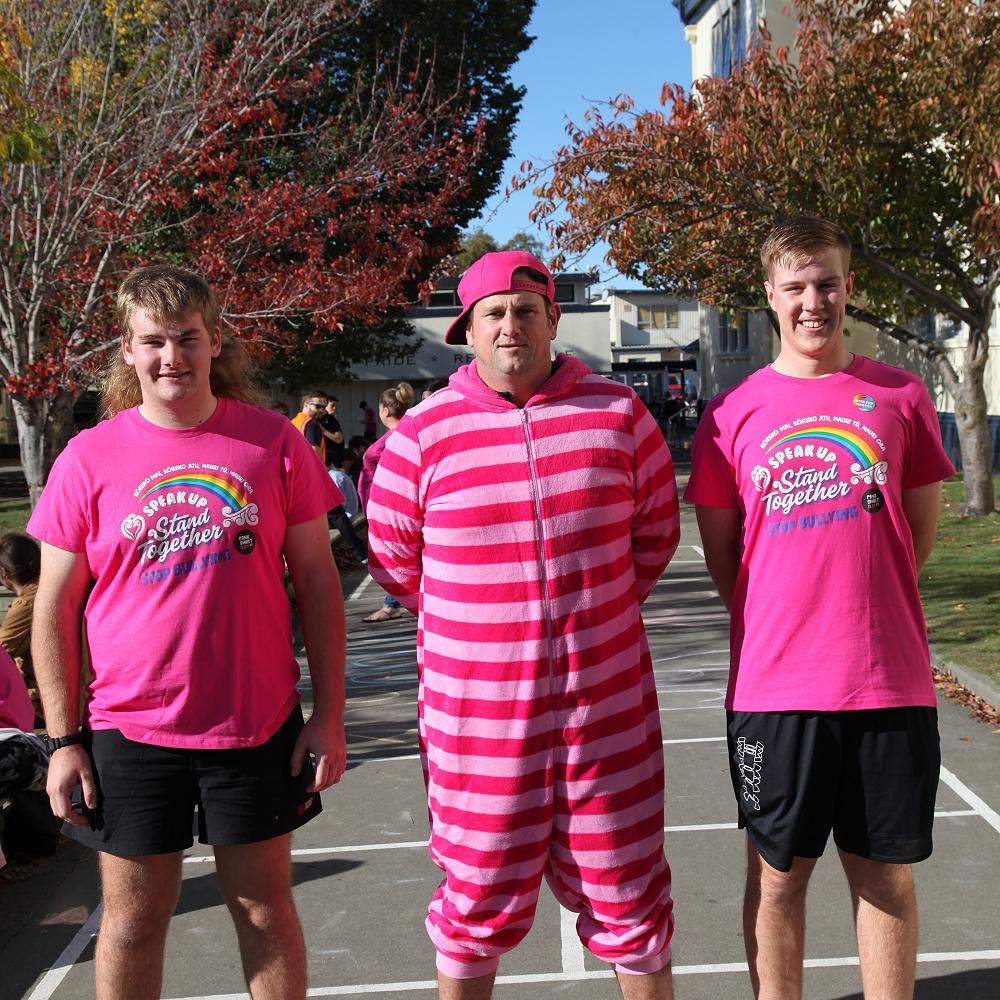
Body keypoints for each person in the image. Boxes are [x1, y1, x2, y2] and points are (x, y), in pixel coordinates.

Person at [366, 250, 680, 999]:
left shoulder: (618, 414)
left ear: (553, 319)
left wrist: (585, 616)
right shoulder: (422, 433)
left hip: (605, 713)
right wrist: (488, 633)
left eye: (526, 310)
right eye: (494, 314)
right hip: (477, 721)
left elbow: (654, 537)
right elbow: (395, 562)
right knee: (475, 902)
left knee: (630, 894)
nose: (511, 326)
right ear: (466, 330)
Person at [28, 264, 347, 1000]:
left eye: (187, 339)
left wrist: (329, 717)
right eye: (154, 342)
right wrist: (63, 739)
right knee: (135, 921)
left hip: (256, 725)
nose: (172, 357)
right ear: (128, 350)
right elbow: (54, 608)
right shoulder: (88, 458)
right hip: (129, 733)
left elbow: (321, 586)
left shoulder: (274, 443)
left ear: (214, 344)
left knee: (265, 911)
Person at [684, 217, 954, 1000]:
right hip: (775, 694)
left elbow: (916, 540)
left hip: (886, 683)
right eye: (796, 286)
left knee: (884, 878)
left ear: (848, 288)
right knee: (776, 884)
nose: (814, 301)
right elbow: (729, 562)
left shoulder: (900, 397)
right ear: (769, 295)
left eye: (828, 283)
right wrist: (790, 618)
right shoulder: (733, 415)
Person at [359, 382, 415, 623]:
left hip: (390, 509)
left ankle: (392, 603)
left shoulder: (397, 436)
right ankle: (393, 602)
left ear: (384, 410)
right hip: (383, 506)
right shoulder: (401, 432)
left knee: (393, 556)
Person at [0, 532, 42, 726]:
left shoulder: (27, 604)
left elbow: (2, 649)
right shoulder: (49, 587)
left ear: (3, 572)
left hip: (42, 699)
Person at [290, 390, 329, 463]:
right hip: (310, 470)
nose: (322, 410)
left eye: (324, 407)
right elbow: (314, 450)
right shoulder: (311, 424)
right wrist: (323, 470)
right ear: (306, 404)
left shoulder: (293, 422)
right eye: (318, 406)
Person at [320, 396, 346, 467]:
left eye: (335, 406)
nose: (334, 408)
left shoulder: (320, 420)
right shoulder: (330, 418)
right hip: (332, 458)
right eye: (332, 406)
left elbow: (338, 439)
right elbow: (339, 439)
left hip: (328, 458)